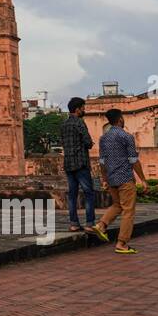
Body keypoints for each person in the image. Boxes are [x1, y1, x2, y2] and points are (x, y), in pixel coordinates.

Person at [90, 109, 147, 253]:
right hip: (125, 178)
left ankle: (101, 225)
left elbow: (102, 162)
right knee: (128, 210)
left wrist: (105, 179)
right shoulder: (126, 136)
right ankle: (122, 243)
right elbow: (133, 160)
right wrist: (143, 180)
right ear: (120, 119)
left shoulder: (103, 138)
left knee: (117, 205)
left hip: (111, 178)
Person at [60, 97, 95, 232]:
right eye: (83, 108)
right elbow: (87, 142)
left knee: (72, 194)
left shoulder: (64, 124)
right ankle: (90, 223)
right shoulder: (79, 122)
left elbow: (63, 142)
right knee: (89, 193)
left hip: (68, 163)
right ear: (77, 109)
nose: (84, 110)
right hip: (80, 162)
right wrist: (89, 144)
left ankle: (74, 223)